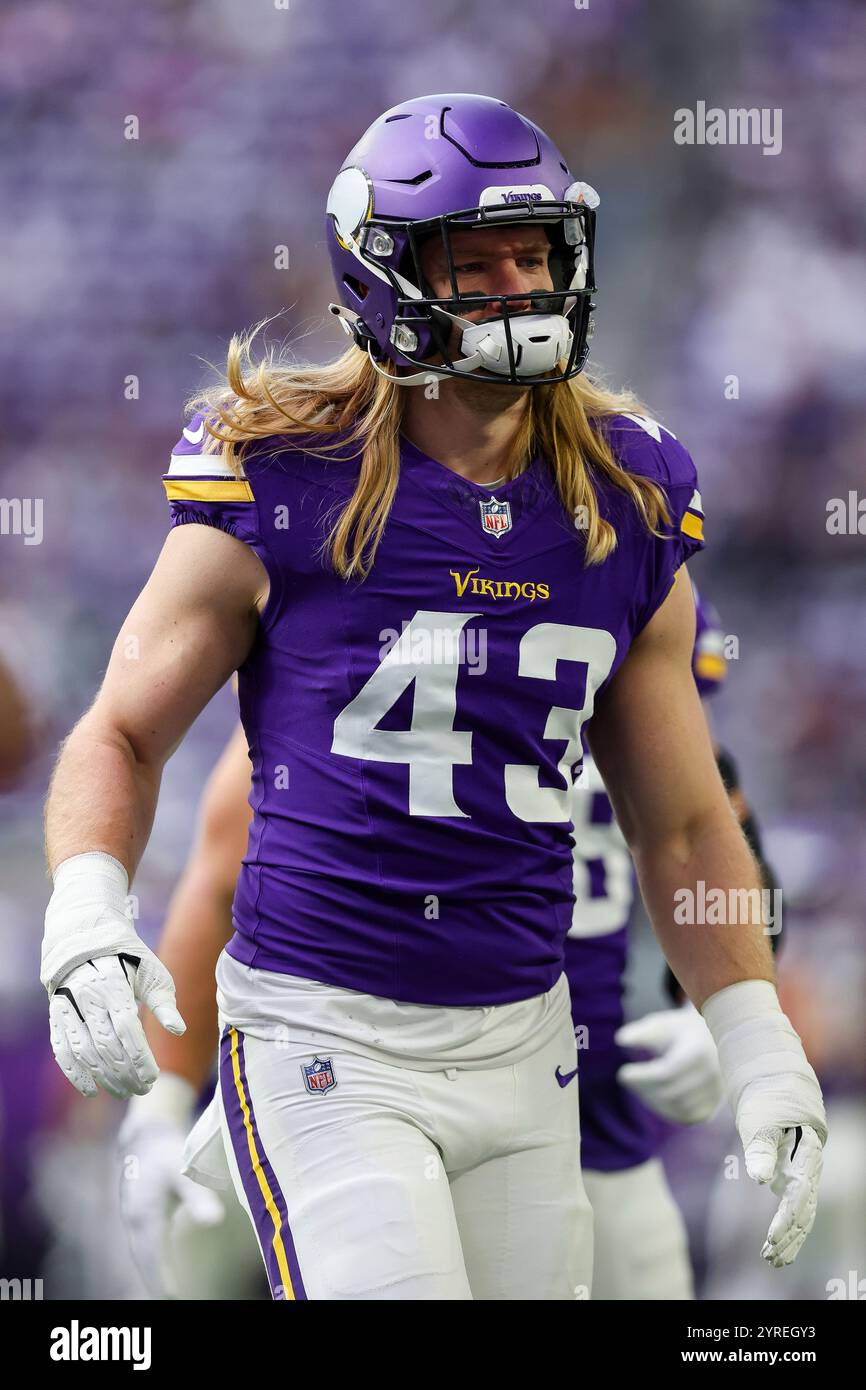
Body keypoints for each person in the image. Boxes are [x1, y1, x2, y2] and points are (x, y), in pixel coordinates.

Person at [42, 93, 825, 1301]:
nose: (518, 285)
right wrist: (88, 903)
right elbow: (124, 731)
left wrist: (755, 1034)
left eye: (536, 253)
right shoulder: (284, 471)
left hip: (524, 1037)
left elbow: (678, 819)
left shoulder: (626, 497)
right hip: (324, 1033)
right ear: (383, 277)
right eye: (475, 259)